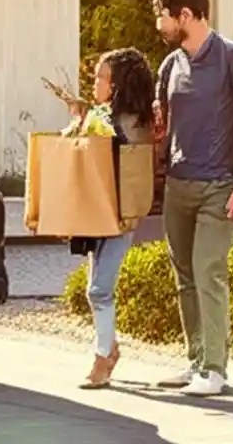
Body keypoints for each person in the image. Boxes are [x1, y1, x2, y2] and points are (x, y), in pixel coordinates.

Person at [152, 0, 233, 397]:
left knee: (209, 272)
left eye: (162, 17)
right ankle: (197, 361)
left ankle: (217, 369)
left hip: (220, 186)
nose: (158, 25)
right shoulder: (171, 66)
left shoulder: (230, 59)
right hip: (178, 186)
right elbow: (163, 129)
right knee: (185, 276)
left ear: (186, 16)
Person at [72, 48, 155, 389]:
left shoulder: (128, 124)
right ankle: (109, 348)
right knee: (97, 288)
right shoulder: (110, 117)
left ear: (117, 84)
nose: (95, 83)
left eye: (101, 78)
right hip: (101, 211)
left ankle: (103, 357)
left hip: (118, 215)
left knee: (99, 288)